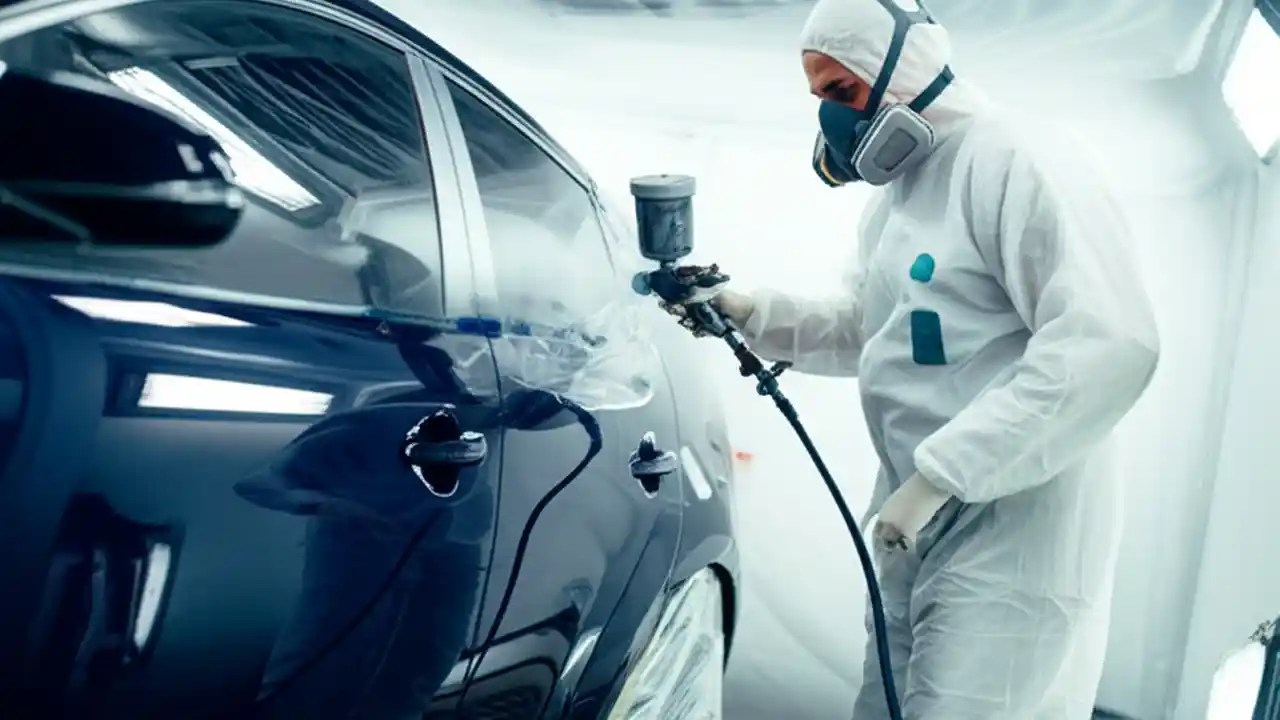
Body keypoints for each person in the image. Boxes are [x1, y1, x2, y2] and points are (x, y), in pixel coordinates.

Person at [662, 0, 1161, 717]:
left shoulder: (1016, 159)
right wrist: (752, 312)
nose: (833, 121)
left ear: (904, 70)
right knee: (891, 702)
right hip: (911, 508)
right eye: (820, 100)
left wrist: (944, 474)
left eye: (842, 93)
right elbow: (872, 330)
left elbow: (1109, 340)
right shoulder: (896, 198)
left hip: (1011, 516)